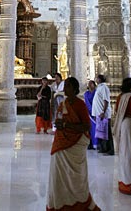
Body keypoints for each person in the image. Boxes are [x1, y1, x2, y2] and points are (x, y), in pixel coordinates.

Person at [46, 77, 100, 211]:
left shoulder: (79, 104)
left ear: (75, 89)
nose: (65, 89)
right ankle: (60, 202)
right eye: (65, 86)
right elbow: (59, 121)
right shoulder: (62, 104)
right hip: (61, 143)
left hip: (75, 144)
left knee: (75, 177)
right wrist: (59, 125)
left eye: (68, 86)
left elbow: (86, 126)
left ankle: (78, 202)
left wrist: (66, 125)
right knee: (58, 175)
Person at [92, 74, 113, 155]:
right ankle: (103, 148)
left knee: (107, 132)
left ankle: (110, 149)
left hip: (103, 114)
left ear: (100, 79)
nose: (95, 79)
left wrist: (103, 112)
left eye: (96, 78)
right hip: (99, 114)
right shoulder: (99, 87)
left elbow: (106, 100)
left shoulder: (104, 87)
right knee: (102, 132)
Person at [83, 80, 97, 150]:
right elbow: (87, 103)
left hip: (96, 112)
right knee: (89, 129)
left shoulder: (96, 93)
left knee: (95, 129)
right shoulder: (86, 94)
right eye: (89, 84)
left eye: (91, 84)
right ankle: (90, 144)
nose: (90, 85)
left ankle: (96, 144)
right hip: (89, 113)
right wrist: (91, 111)